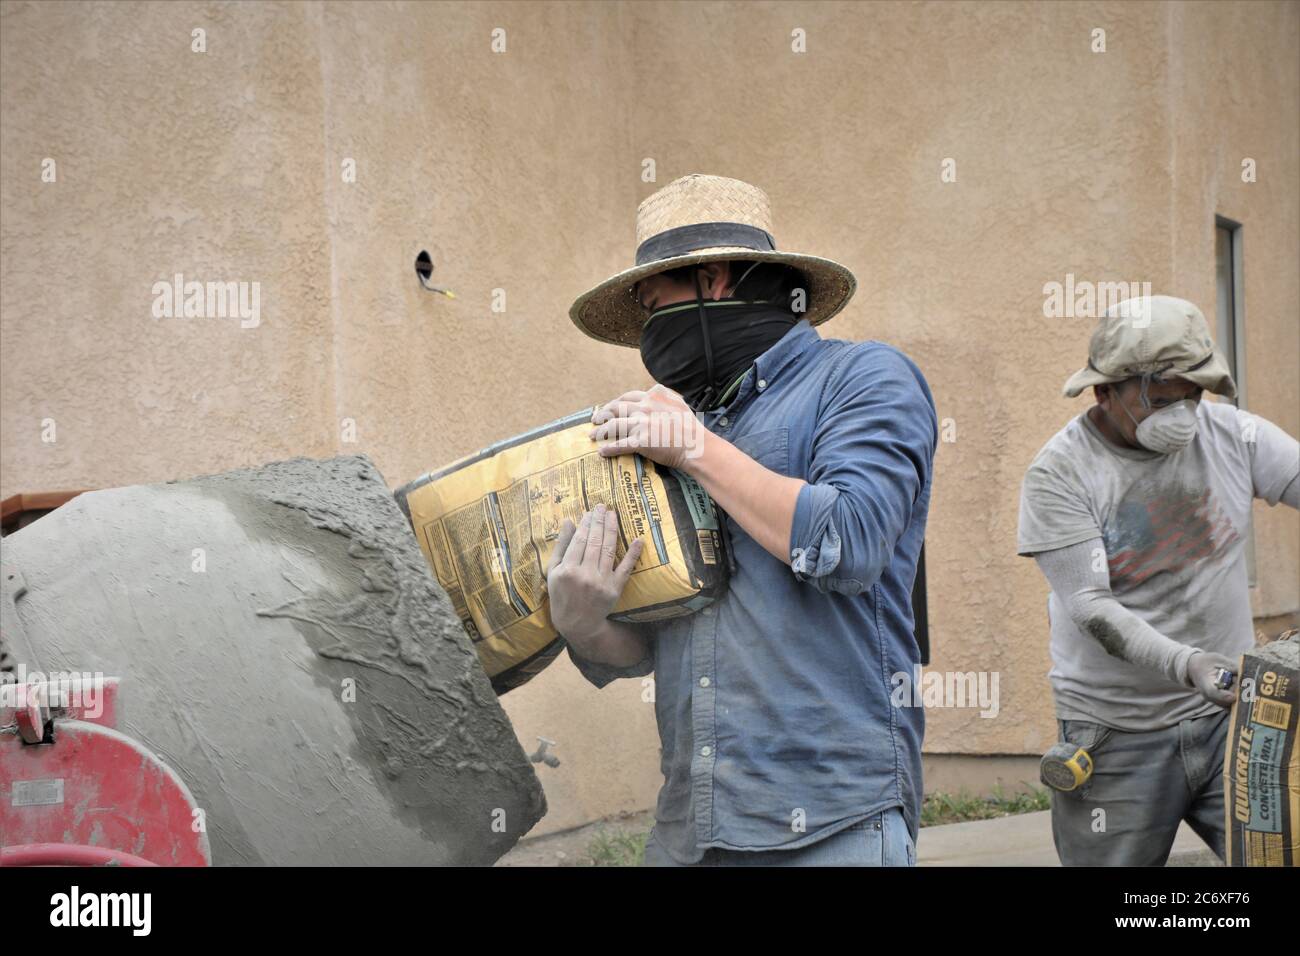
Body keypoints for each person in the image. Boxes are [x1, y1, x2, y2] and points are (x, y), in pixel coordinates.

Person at [548, 173, 937, 866]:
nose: (647, 327)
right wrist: (586, 624)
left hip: (833, 826)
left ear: (716, 279)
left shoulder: (865, 379)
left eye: (652, 298)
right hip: (690, 833)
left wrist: (695, 449)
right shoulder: (680, 428)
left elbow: (847, 541)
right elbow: (653, 647)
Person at [1017, 294, 1299, 866]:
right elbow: (1091, 606)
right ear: (1105, 392)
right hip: (1117, 732)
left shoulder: (1234, 438)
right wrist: (1189, 664)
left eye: (1193, 397)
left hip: (1231, 722)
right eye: (1164, 401)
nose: (1183, 416)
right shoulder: (1061, 473)